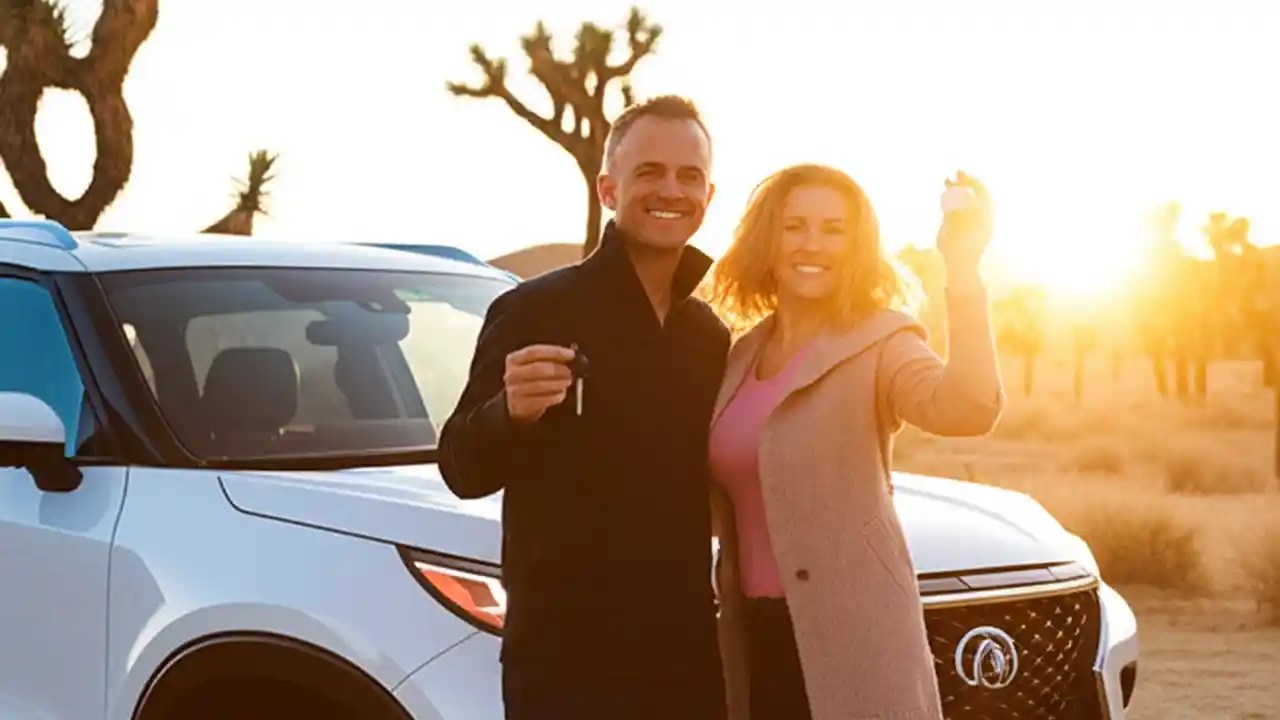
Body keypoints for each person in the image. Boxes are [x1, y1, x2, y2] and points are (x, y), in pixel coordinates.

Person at [437, 95, 730, 720]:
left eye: (690, 175)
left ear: (709, 194)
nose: (670, 189)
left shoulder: (709, 336)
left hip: (686, 661)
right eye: (649, 171)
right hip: (565, 667)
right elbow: (460, 467)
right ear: (608, 188)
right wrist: (507, 412)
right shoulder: (534, 309)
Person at [706, 164, 1005, 720]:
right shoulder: (740, 356)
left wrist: (963, 269)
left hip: (855, 641)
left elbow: (968, 407)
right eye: (794, 226)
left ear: (856, 246)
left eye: (833, 229)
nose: (812, 243)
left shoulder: (880, 340)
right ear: (767, 239)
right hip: (751, 639)